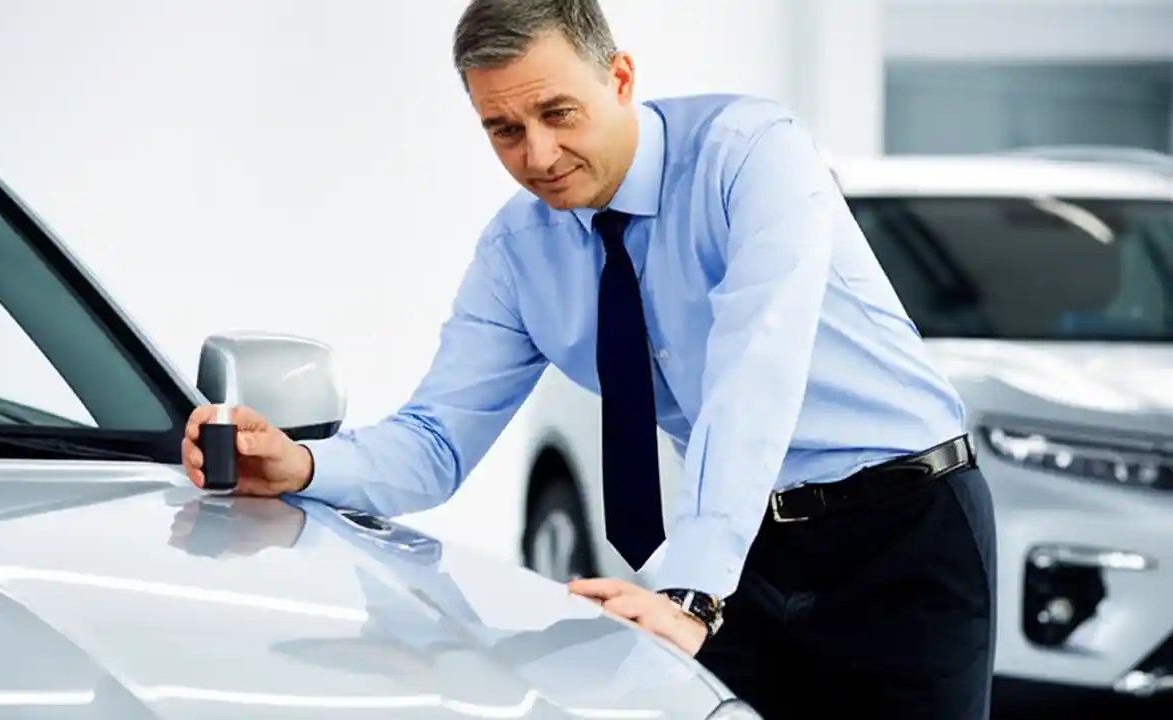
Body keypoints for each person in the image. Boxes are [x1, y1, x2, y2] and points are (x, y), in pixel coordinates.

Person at [181, 1, 997, 717]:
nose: (538, 156)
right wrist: (302, 466)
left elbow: (756, 370)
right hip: (749, 552)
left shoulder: (752, 153)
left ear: (620, 77)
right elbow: (434, 441)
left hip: (902, 534)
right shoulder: (518, 252)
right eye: (504, 130)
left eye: (557, 113)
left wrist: (691, 589)